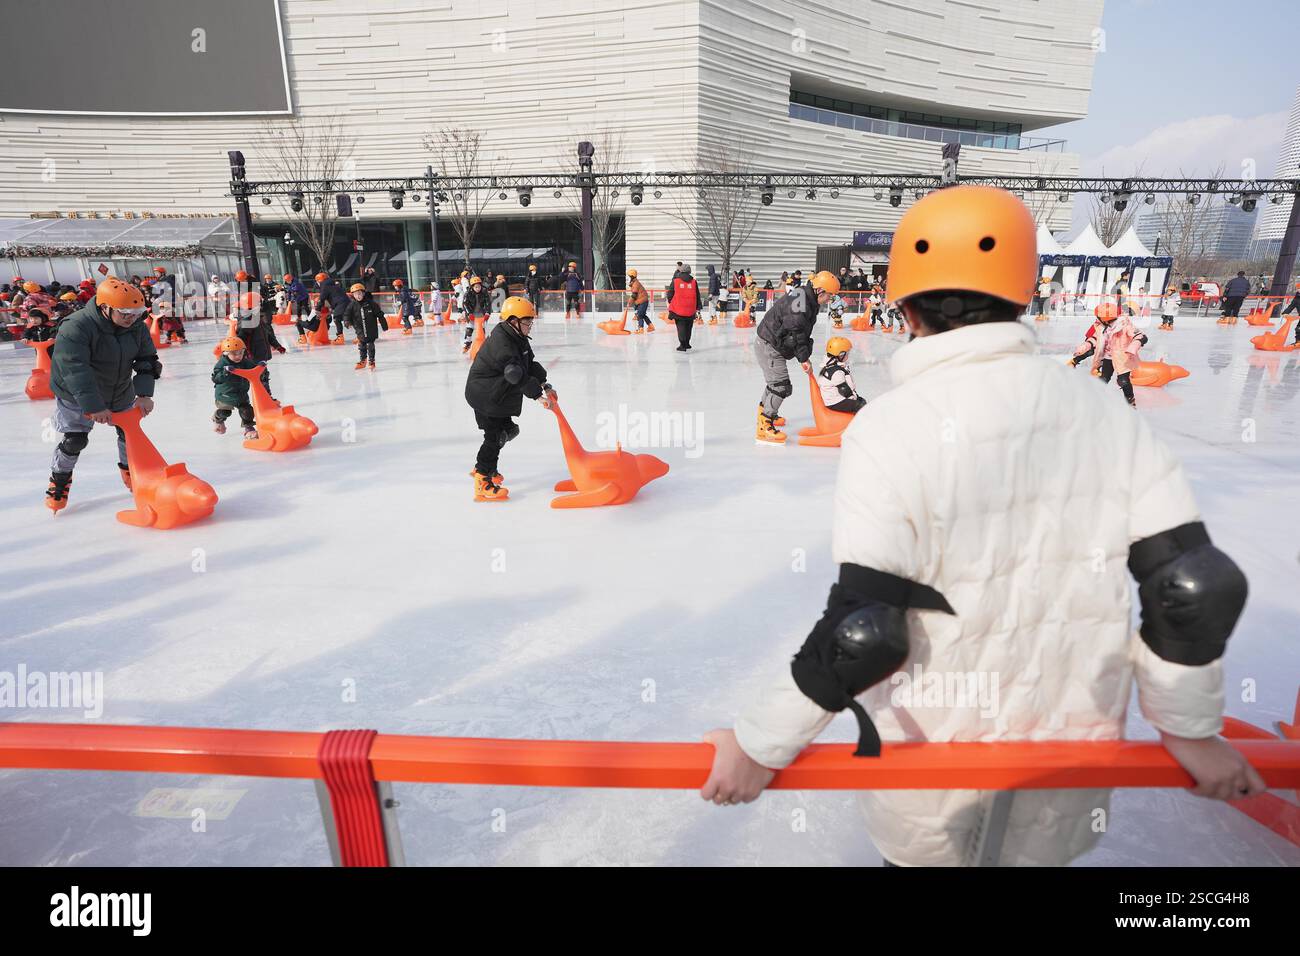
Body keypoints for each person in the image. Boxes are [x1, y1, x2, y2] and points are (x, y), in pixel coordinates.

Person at [701, 185, 1260, 866]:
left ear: (901, 303)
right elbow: (1196, 584)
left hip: (929, 773)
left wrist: (761, 744)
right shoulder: (1106, 412)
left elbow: (866, 630)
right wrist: (1190, 730)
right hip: (1065, 770)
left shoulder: (888, 428)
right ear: (1026, 292)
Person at [45, 277, 160, 513]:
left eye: (137, 312)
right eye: (125, 313)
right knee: (75, 440)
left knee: (129, 434)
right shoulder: (76, 326)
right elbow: (75, 369)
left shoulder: (136, 325)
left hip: (118, 388)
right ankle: (60, 479)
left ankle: (133, 474)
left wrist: (145, 393)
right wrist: (93, 405)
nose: (132, 318)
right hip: (75, 395)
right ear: (105, 307)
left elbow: (146, 359)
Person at [463, 296, 555, 502]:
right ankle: (482, 478)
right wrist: (538, 396)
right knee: (495, 436)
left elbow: (529, 363)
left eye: (531, 321)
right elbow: (514, 373)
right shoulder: (502, 342)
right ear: (513, 321)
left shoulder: (516, 336)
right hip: (484, 395)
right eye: (526, 322)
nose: (530, 326)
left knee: (509, 431)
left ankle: (488, 468)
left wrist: (545, 384)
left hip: (495, 393)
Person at [754, 270, 839, 444]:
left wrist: (804, 354)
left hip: (772, 342)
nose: (830, 300)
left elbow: (801, 332)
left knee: (775, 383)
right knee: (780, 386)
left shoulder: (807, 298)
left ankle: (766, 412)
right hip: (769, 345)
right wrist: (804, 359)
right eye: (829, 296)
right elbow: (797, 333)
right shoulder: (801, 303)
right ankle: (764, 425)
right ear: (820, 290)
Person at [1069, 301, 1148, 408]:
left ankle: (1130, 401)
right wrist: (1085, 346)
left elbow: (1140, 336)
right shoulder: (1101, 327)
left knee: (1123, 381)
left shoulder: (1124, 325)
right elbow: (1094, 339)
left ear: (1105, 318)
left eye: (1099, 317)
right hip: (1108, 357)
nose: (1097, 319)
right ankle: (1097, 398)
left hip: (1123, 357)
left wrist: (1134, 345)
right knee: (1103, 379)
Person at [210, 336, 261, 440]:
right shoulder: (222, 363)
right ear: (226, 353)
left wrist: (261, 368)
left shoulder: (245, 361)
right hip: (225, 395)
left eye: (240, 353)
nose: (238, 356)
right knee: (225, 412)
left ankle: (249, 428)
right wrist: (225, 372)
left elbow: (254, 368)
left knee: (247, 411)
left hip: (241, 394)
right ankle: (218, 419)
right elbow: (216, 378)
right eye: (234, 353)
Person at [816, 335, 867, 414]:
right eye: (847, 353)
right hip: (835, 402)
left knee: (861, 401)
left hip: (834, 399)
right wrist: (853, 398)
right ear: (840, 354)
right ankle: (860, 424)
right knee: (860, 405)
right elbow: (843, 388)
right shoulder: (836, 371)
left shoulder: (831, 366)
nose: (848, 355)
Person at [342, 282, 385, 370]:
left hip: (371, 328)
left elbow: (379, 314)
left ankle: (371, 361)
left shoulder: (371, 303)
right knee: (361, 345)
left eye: (359, 293)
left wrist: (384, 325)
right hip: (359, 328)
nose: (358, 296)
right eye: (355, 294)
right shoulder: (352, 305)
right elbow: (347, 314)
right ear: (353, 295)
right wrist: (347, 322)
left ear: (363, 293)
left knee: (370, 345)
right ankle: (363, 360)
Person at [667, 263, 702, 352]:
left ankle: (682, 344)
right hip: (691, 308)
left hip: (678, 308)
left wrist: (671, 301)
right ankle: (687, 343)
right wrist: (698, 306)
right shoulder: (694, 282)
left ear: (681, 270)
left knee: (681, 326)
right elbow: (697, 295)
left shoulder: (675, 281)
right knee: (689, 326)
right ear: (689, 271)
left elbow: (670, 293)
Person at [462, 275, 492, 353]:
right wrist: (469, 313)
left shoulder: (484, 292)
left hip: (482, 314)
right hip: (471, 314)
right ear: (472, 287)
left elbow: (488, 303)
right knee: (469, 330)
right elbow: (465, 304)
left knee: (482, 329)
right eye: (476, 287)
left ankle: (483, 344)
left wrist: (487, 313)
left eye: (479, 287)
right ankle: (468, 343)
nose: (478, 289)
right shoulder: (468, 293)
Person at [317, 272, 350, 342]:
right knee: (352, 318)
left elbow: (321, 299)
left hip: (340, 303)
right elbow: (334, 296)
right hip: (346, 301)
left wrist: (317, 310)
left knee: (337, 318)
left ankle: (340, 337)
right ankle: (359, 336)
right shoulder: (331, 284)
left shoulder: (324, 285)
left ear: (319, 280)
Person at [627, 269, 651, 333]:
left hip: (643, 301)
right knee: (642, 315)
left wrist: (629, 302)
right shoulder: (634, 283)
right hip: (641, 301)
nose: (628, 278)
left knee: (640, 315)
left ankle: (641, 329)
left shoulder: (635, 284)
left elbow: (634, 295)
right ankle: (651, 326)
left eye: (629, 276)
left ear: (632, 276)